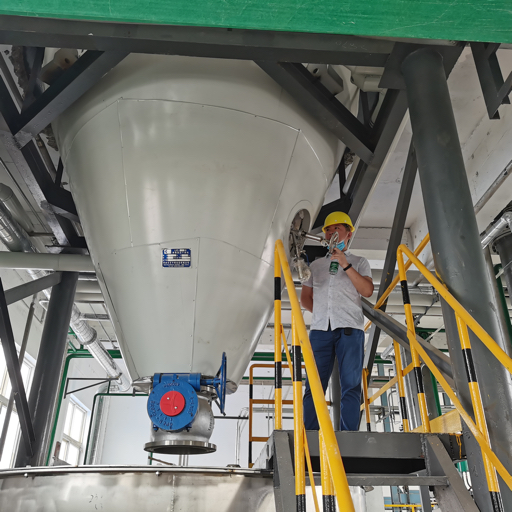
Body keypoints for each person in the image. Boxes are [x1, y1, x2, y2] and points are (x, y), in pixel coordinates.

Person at [300, 211, 373, 431]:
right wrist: (324, 313)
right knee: (314, 385)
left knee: (350, 385)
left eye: (336, 228)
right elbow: (305, 298)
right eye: (328, 230)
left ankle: (348, 434)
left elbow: (367, 291)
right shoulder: (316, 266)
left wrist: (345, 264)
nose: (331, 232)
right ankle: (311, 434)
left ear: (348, 234)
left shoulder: (359, 262)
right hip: (320, 330)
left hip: (350, 328)